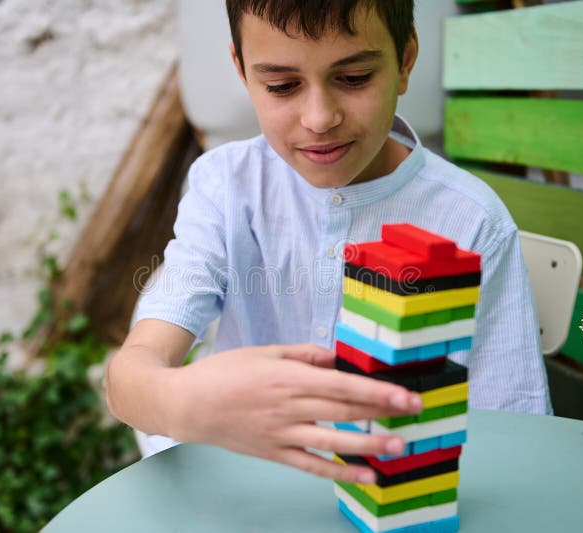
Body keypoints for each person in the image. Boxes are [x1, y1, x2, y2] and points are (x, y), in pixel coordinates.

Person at [105, 0, 551, 486]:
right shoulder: (224, 188)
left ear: (404, 61)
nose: (319, 118)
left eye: (354, 77)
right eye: (281, 86)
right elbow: (130, 376)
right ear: (242, 72)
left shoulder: (471, 223)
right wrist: (182, 402)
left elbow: (517, 435)